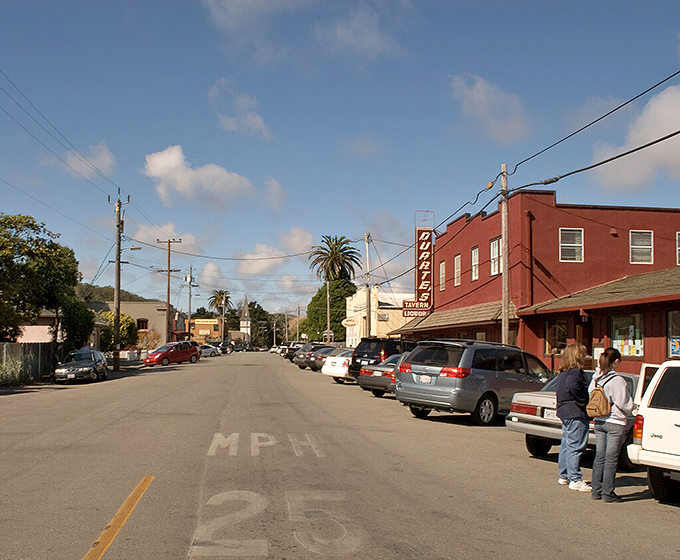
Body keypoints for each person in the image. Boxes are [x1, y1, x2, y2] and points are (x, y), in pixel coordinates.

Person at [589, 347, 632, 502]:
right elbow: (623, 403)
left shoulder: (595, 379)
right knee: (611, 458)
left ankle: (596, 491)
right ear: (615, 361)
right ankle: (608, 493)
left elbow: (590, 395)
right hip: (615, 422)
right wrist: (631, 408)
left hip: (599, 421)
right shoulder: (618, 381)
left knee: (599, 456)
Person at [555, 343, 591, 491]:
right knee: (575, 446)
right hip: (575, 412)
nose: (586, 357)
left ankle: (564, 475)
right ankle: (575, 479)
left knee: (566, 444)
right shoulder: (575, 373)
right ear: (577, 356)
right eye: (583, 354)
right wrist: (582, 399)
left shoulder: (563, 373)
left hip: (565, 411)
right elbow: (573, 386)